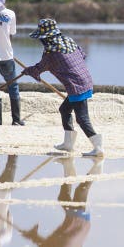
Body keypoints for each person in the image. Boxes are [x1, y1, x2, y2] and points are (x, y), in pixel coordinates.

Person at [22, 19, 103, 157]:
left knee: (82, 118)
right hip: (85, 80)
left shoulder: (51, 54)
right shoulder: (68, 41)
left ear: (46, 38)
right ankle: (68, 144)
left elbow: (39, 68)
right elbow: (82, 55)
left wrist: (27, 71)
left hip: (76, 86)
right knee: (64, 109)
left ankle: (98, 147)